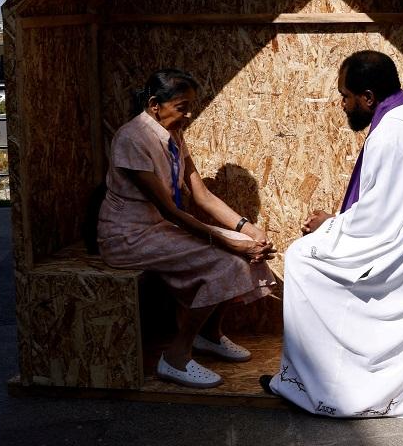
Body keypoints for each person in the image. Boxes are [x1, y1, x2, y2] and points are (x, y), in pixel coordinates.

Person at [265, 51, 403, 418]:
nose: (343, 105)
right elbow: (391, 205)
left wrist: (330, 225)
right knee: (315, 253)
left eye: (346, 97)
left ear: (368, 97)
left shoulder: (391, 135)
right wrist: (339, 222)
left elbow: (380, 221)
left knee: (301, 259)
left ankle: (317, 383)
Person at [97, 69, 276, 389]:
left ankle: (208, 335)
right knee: (226, 261)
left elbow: (202, 196)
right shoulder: (131, 138)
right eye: (182, 106)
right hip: (127, 236)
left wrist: (246, 230)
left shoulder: (173, 136)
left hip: (157, 227)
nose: (189, 114)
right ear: (155, 104)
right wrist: (229, 243)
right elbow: (171, 210)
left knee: (240, 250)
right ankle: (175, 358)